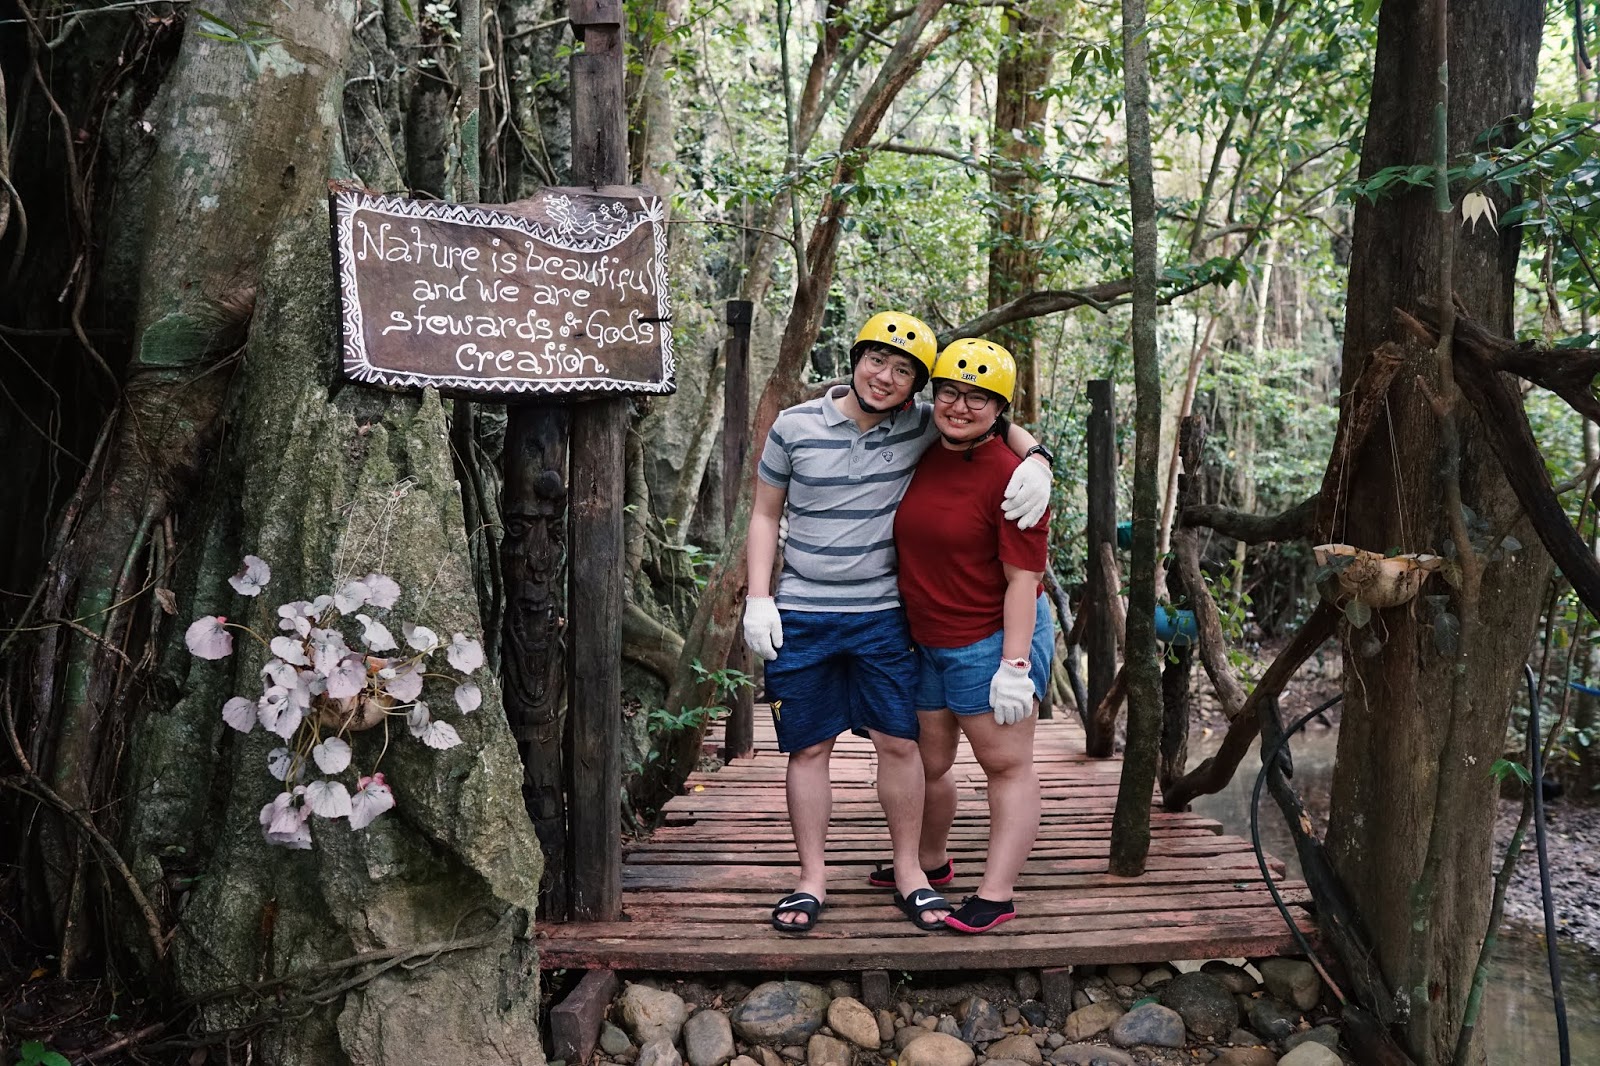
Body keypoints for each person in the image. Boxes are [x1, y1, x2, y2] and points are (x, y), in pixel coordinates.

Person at [743, 312, 1054, 934]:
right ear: (855, 359)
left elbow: (994, 426)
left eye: (904, 370)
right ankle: (855, 873)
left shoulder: (968, 451)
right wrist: (758, 598)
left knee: (941, 752)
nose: (886, 377)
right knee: (846, 750)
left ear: (915, 386)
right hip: (860, 622)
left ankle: (959, 883)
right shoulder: (827, 429)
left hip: (926, 627)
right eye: (877, 360)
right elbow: (765, 513)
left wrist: (1040, 460)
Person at [893, 337, 1053, 934]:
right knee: (929, 761)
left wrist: (1015, 666)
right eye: (950, 392)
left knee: (1005, 766)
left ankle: (997, 894)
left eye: (977, 398)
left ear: (1000, 408)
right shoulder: (924, 445)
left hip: (988, 639)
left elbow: (1023, 581)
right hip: (925, 639)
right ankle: (931, 862)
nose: (960, 406)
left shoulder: (1016, 480)